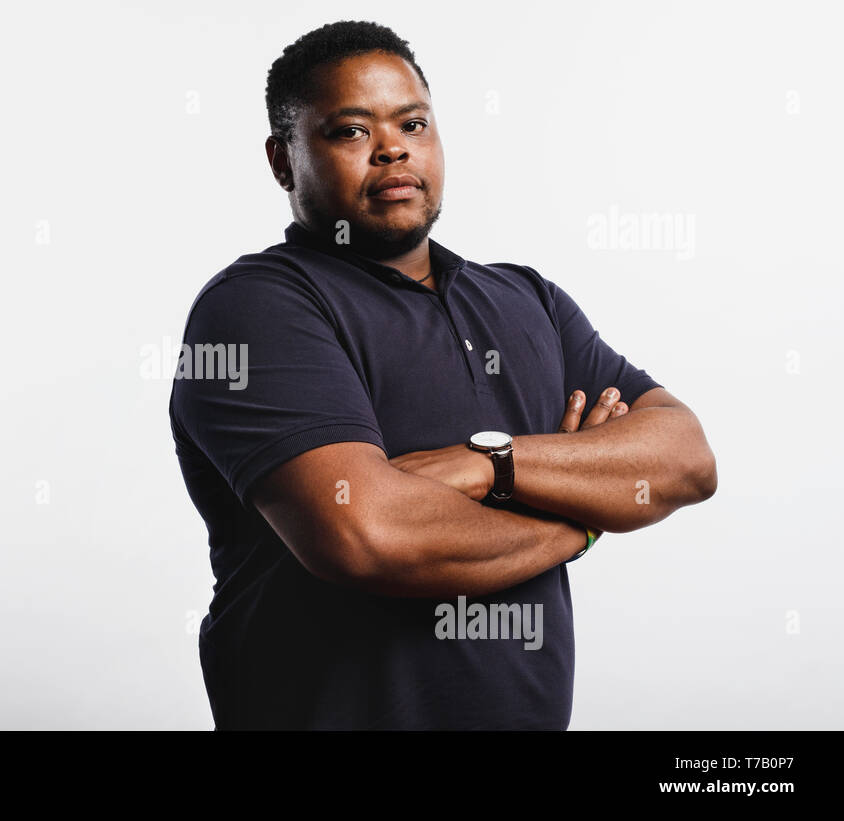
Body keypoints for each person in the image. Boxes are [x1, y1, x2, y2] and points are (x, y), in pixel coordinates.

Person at [168, 20, 718, 730]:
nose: (393, 147)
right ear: (282, 161)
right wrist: (580, 520)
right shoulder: (256, 308)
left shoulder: (528, 301)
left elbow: (686, 459)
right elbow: (365, 534)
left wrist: (484, 465)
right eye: (351, 131)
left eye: (413, 122)